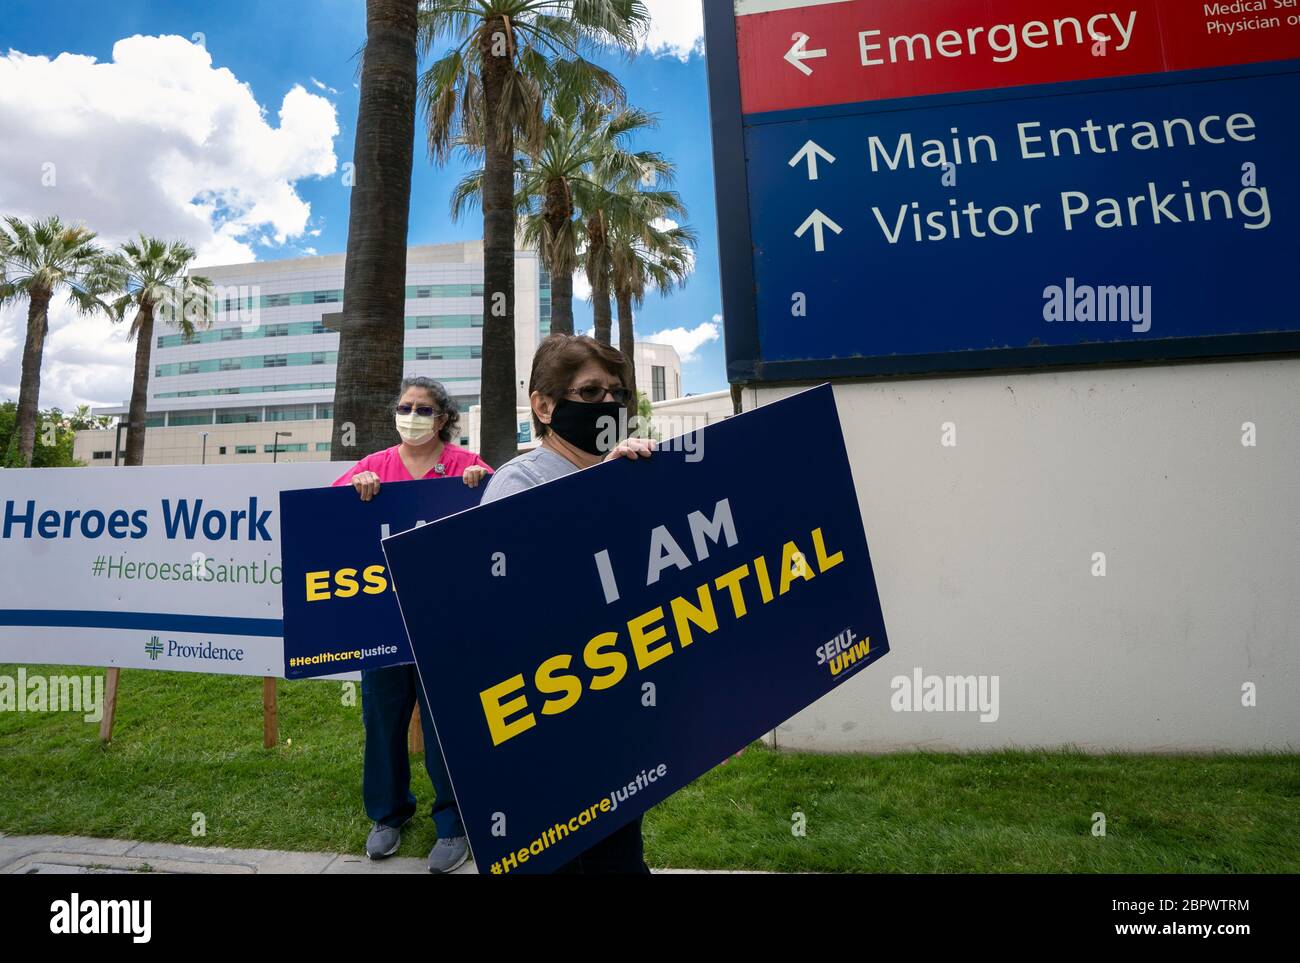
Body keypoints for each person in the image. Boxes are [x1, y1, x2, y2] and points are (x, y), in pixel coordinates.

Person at [479, 334, 656, 874]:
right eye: (591, 391)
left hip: (613, 708)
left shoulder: (618, 472)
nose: (608, 404)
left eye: (617, 393)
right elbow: (507, 612)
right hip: (553, 721)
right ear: (544, 405)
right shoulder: (517, 487)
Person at [333, 376, 492, 874]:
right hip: (381, 625)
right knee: (381, 724)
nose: (413, 415)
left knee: (447, 724)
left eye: (424, 408)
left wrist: (482, 485)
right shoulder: (372, 466)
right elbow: (327, 513)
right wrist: (352, 490)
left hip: (446, 624)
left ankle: (455, 823)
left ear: (444, 418)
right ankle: (387, 816)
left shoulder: (469, 467)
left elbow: (500, 518)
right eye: (405, 407)